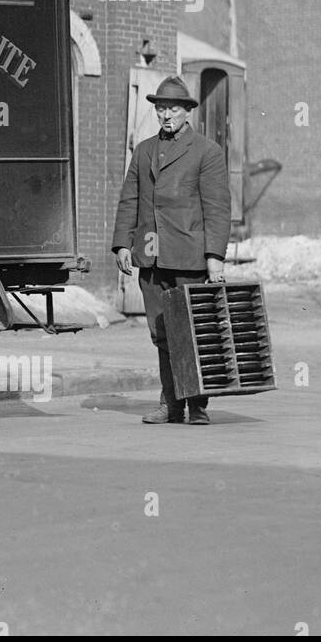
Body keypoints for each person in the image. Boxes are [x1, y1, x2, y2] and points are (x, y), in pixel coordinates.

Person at [111, 75, 231, 425]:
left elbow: (217, 208)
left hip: (189, 257)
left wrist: (215, 258)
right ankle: (171, 404)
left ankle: (197, 405)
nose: (166, 115)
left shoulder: (207, 151)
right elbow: (129, 199)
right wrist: (122, 243)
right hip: (151, 257)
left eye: (173, 109)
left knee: (192, 332)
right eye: (161, 109)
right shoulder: (144, 150)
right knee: (162, 334)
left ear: (187, 112)